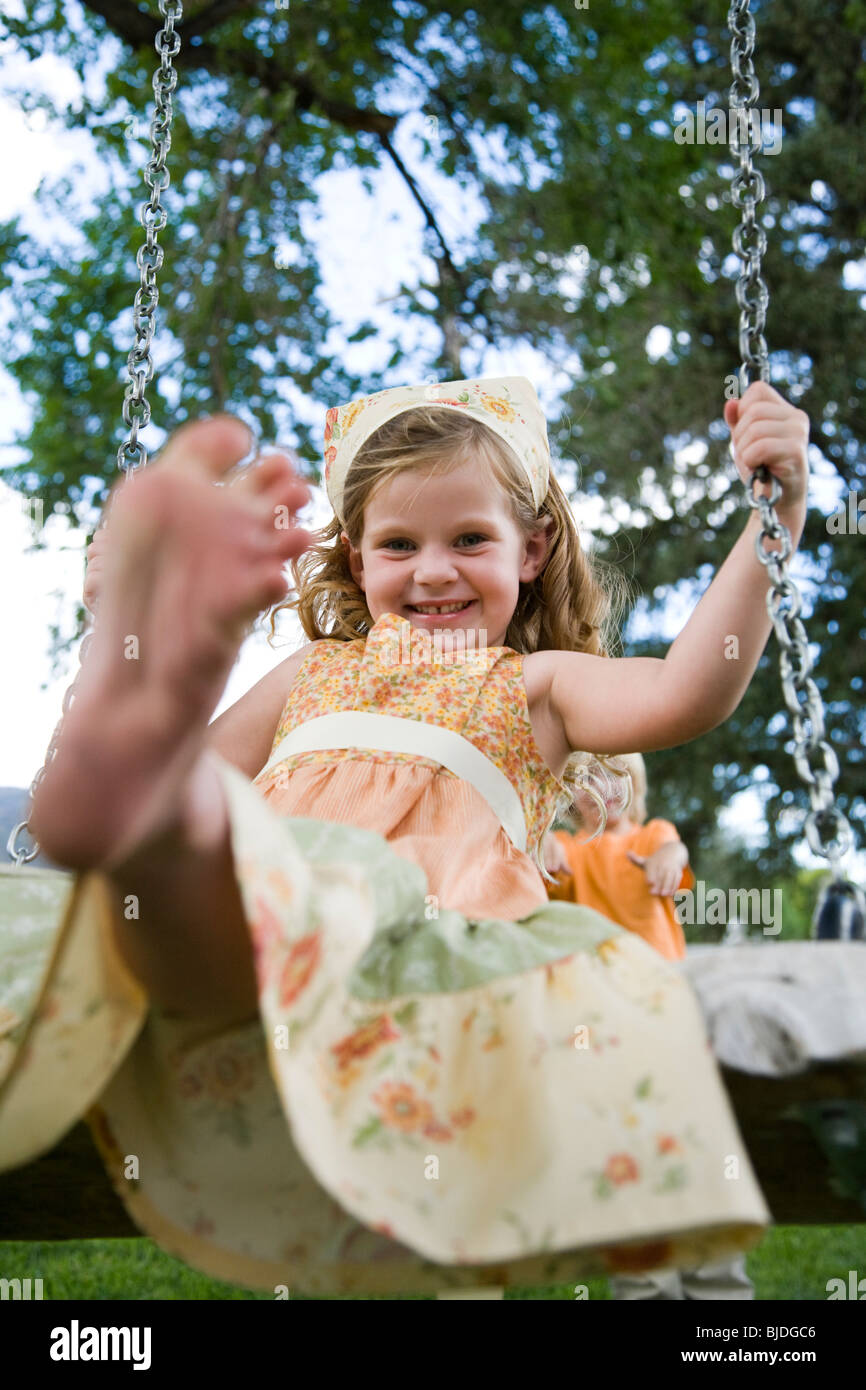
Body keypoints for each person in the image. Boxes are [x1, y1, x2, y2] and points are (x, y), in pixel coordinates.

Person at [1, 374, 808, 1299]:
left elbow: (684, 692)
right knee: (196, 826)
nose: (432, 570)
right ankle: (139, 692)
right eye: (398, 544)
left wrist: (773, 517)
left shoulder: (537, 686)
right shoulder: (315, 669)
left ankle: (141, 764)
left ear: (532, 550)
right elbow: (209, 778)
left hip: (417, 957)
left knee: (422, 1227)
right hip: (253, 915)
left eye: (470, 539)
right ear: (353, 557)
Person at [543, 754, 755, 1300]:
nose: (599, 790)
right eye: (584, 780)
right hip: (609, 1026)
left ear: (635, 787)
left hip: (669, 1019)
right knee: (633, 1159)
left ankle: (719, 1288)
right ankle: (645, 1283)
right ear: (569, 795)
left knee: (698, 1150)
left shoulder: (651, 837)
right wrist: (537, 843)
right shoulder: (568, 850)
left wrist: (668, 857)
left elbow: (674, 854)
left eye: (613, 775)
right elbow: (536, 871)